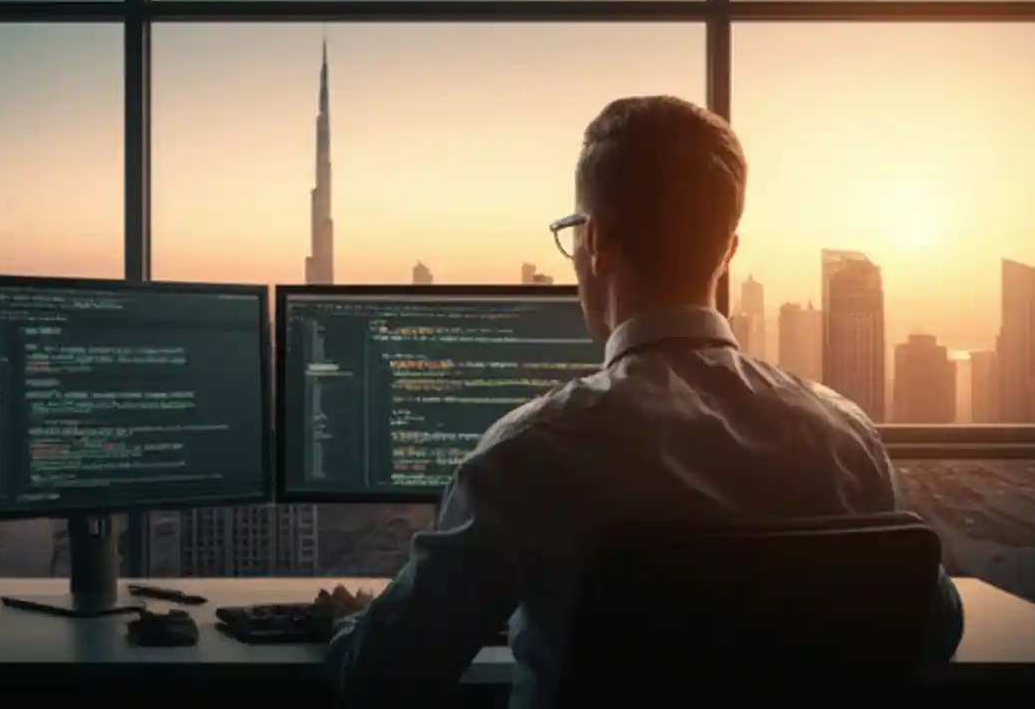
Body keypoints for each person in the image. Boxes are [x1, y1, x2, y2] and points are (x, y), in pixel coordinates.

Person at [324, 95, 963, 706]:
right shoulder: (844, 435)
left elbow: (384, 679)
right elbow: (932, 629)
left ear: (596, 242)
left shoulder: (530, 453)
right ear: (727, 249)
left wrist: (353, 625)